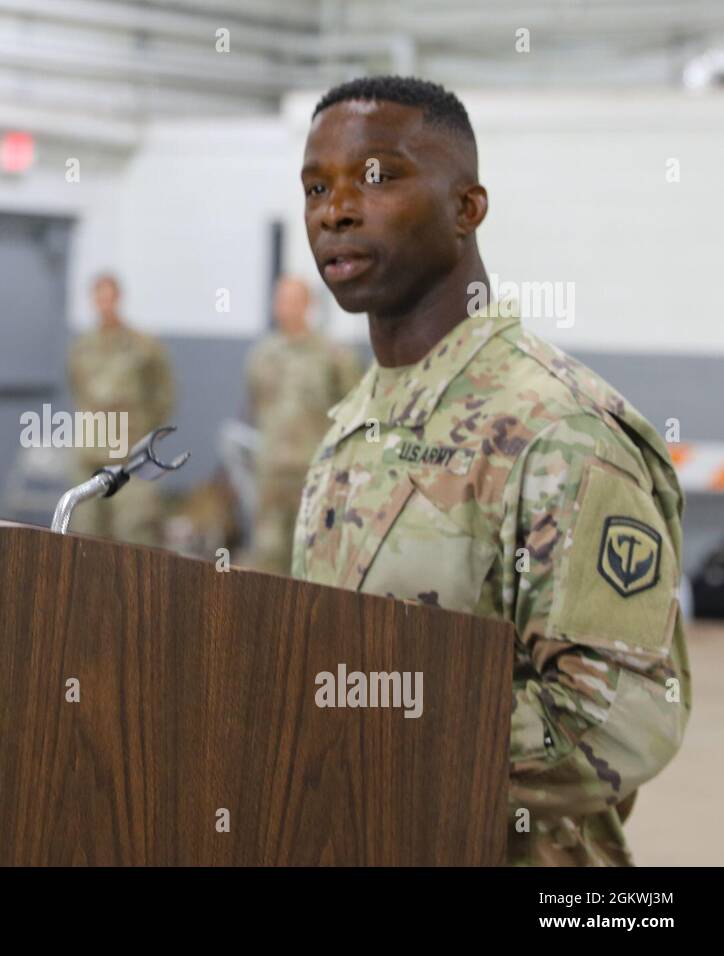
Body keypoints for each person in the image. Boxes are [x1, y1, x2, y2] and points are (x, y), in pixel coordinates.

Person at [290, 76, 689, 865]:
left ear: (467, 208)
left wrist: (369, 742)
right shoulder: (357, 418)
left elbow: (626, 715)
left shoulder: (557, 430)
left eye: (376, 177)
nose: (334, 210)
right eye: (315, 187)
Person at [244, 275, 360, 573]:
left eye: (294, 300)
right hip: (272, 473)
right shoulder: (261, 355)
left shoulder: (334, 357)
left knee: (314, 557)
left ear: (309, 304)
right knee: (268, 556)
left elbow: (354, 414)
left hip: (315, 475)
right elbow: (256, 404)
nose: (286, 307)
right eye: (281, 299)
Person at [67, 273, 175, 547]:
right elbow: (78, 388)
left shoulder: (143, 346)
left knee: (134, 533)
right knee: (86, 535)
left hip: (129, 457)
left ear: (118, 299)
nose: (105, 304)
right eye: (99, 298)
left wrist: (141, 429)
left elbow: (163, 393)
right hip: (90, 456)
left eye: (109, 297)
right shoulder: (82, 348)